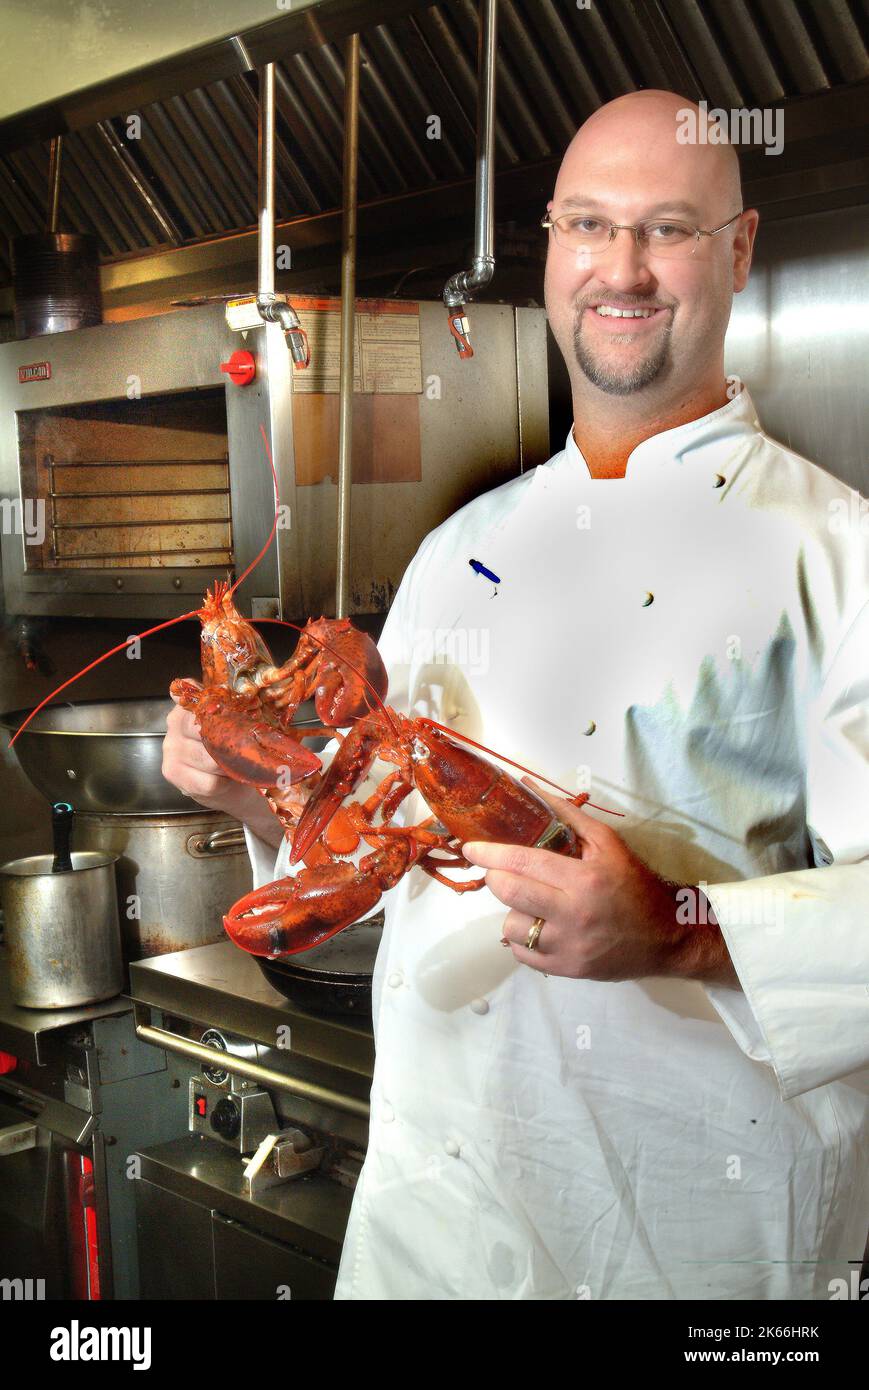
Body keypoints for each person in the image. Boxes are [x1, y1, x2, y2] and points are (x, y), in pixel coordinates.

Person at [163, 90, 869, 1300]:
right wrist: (262, 795)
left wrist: (680, 933)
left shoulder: (834, 554)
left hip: (681, 1243)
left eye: (668, 229)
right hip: (434, 1230)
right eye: (589, 225)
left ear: (739, 251)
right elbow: (386, 862)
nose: (622, 269)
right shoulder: (459, 548)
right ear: (550, 247)